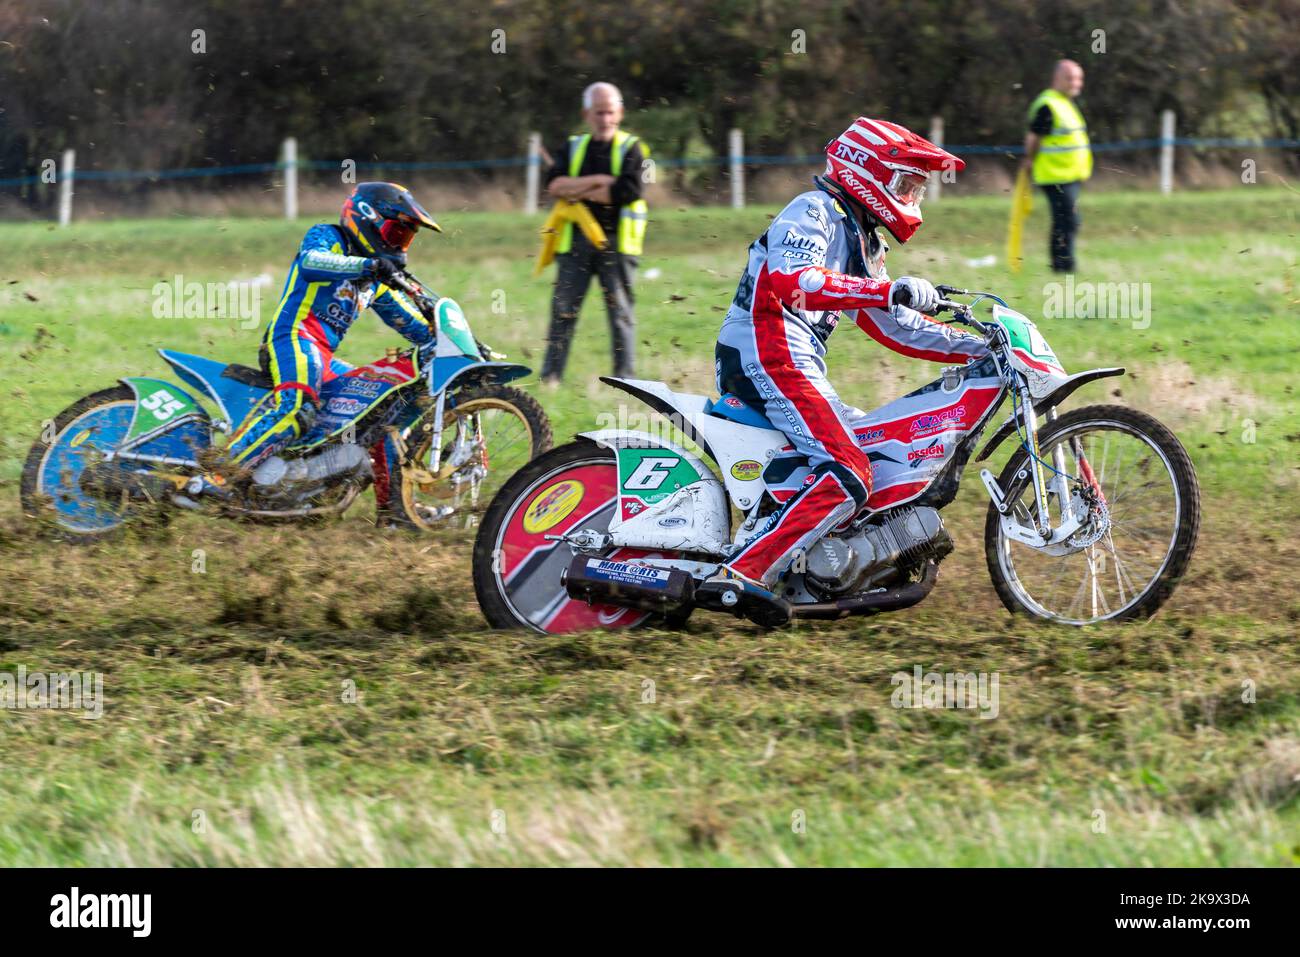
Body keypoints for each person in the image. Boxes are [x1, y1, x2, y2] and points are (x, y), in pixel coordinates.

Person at [699, 117, 989, 614]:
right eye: (905, 183)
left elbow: (893, 326)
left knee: (872, 451)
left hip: (796, 356)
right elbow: (797, 281)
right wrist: (886, 289)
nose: (912, 196)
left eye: (918, 187)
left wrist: (980, 348)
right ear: (865, 172)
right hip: (766, 347)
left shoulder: (863, 240)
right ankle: (741, 572)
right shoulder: (814, 210)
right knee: (849, 468)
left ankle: (825, 564)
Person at [216, 182, 441, 516]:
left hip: (323, 357)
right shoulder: (329, 237)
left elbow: (411, 325)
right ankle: (218, 474)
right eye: (395, 233)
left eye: (405, 239)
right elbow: (311, 262)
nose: (399, 245)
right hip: (292, 338)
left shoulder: (375, 280)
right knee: (298, 409)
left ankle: (394, 512)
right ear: (369, 219)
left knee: (379, 408)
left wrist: (448, 340)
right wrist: (368, 267)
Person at [541, 82, 649, 383]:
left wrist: (576, 188)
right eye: (599, 113)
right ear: (586, 113)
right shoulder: (573, 147)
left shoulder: (633, 148)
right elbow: (554, 186)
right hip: (575, 242)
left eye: (610, 112)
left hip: (617, 244)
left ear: (621, 113)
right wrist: (601, 182)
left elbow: (628, 192)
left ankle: (625, 380)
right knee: (563, 311)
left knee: (620, 315)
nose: (605, 119)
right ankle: (550, 378)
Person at [1022, 60, 1092, 272]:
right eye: (1070, 78)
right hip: (1054, 176)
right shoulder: (1049, 105)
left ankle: (1063, 264)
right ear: (1057, 79)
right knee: (1067, 220)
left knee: (1068, 220)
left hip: (1069, 176)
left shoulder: (1064, 103)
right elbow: (1034, 137)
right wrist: (1029, 159)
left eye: (1078, 78)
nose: (1075, 83)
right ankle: (1063, 265)